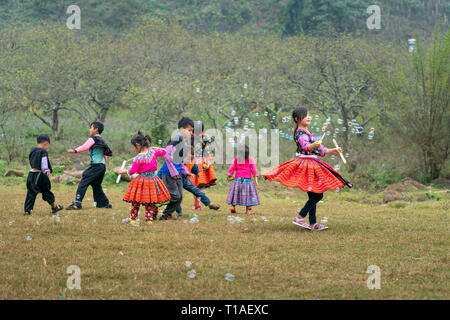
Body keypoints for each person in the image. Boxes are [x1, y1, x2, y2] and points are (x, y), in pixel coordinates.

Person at [263, 107, 352, 231]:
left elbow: (320, 149)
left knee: (314, 193)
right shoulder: (300, 133)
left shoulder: (307, 132)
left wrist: (333, 150)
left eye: (309, 115)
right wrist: (313, 145)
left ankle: (313, 223)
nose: (308, 117)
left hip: (312, 163)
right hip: (306, 164)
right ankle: (300, 217)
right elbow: (306, 146)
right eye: (305, 115)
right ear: (297, 119)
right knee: (317, 195)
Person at [117, 132, 171, 225]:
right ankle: (149, 220)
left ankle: (133, 219)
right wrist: (155, 148)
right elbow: (164, 151)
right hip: (153, 179)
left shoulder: (138, 157)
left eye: (134, 147)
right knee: (149, 201)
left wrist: (123, 171)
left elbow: (133, 170)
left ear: (138, 145)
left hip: (141, 180)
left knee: (135, 200)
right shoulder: (153, 152)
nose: (134, 149)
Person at [66, 122, 112, 210]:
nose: (90, 130)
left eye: (91, 128)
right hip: (102, 166)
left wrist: (75, 150)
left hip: (96, 166)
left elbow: (85, 146)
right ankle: (105, 203)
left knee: (84, 180)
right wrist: (103, 165)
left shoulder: (93, 138)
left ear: (96, 129)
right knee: (96, 184)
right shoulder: (102, 140)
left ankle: (77, 203)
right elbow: (105, 154)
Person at [157, 117, 194, 220]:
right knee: (175, 196)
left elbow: (180, 161)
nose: (191, 133)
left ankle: (166, 215)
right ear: (182, 129)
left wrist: (185, 172)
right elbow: (166, 156)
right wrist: (173, 172)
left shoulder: (183, 143)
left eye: (192, 131)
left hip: (178, 174)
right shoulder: (174, 140)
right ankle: (155, 203)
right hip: (169, 173)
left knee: (179, 197)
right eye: (189, 130)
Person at [173, 148, 220, 218]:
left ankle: (210, 204)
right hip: (175, 181)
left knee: (197, 190)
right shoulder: (176, 162)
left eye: (192, 158)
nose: (190, 160)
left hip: (185, 180)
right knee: (177, 196)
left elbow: (195, 168)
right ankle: (179, 212)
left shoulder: (192, 161)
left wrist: (197, 173)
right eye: (189, 158)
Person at [24, 134, 63, 215]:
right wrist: (46, 170)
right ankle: (54, 207)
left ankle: (27, 210)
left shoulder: (32, 150)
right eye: (48, 145)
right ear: (46, 143)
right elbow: (44, 162)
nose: (47, 147)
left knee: (31, 192)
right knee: (46, 191)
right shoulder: (43, 151)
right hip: (40, 175)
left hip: (31, 174)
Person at [189, 120, 217, 210]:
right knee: (202, 184)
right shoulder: (206, 137)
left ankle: (197, 203)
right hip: (202, 162)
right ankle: (198, 202)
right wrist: (208, 162)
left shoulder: (189, 137)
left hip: (192, 162)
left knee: (194, 184)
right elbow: (208, 151)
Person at [226, 144, 260, 215]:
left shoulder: (236, 159)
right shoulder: (251, 159)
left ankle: (233, 206)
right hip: (247, 181)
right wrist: (256, 180)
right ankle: (247, 210)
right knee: (248, 195)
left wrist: (229, 175)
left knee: (235, 194)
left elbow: (232, 168)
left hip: (237, 180)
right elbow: (254, 170)